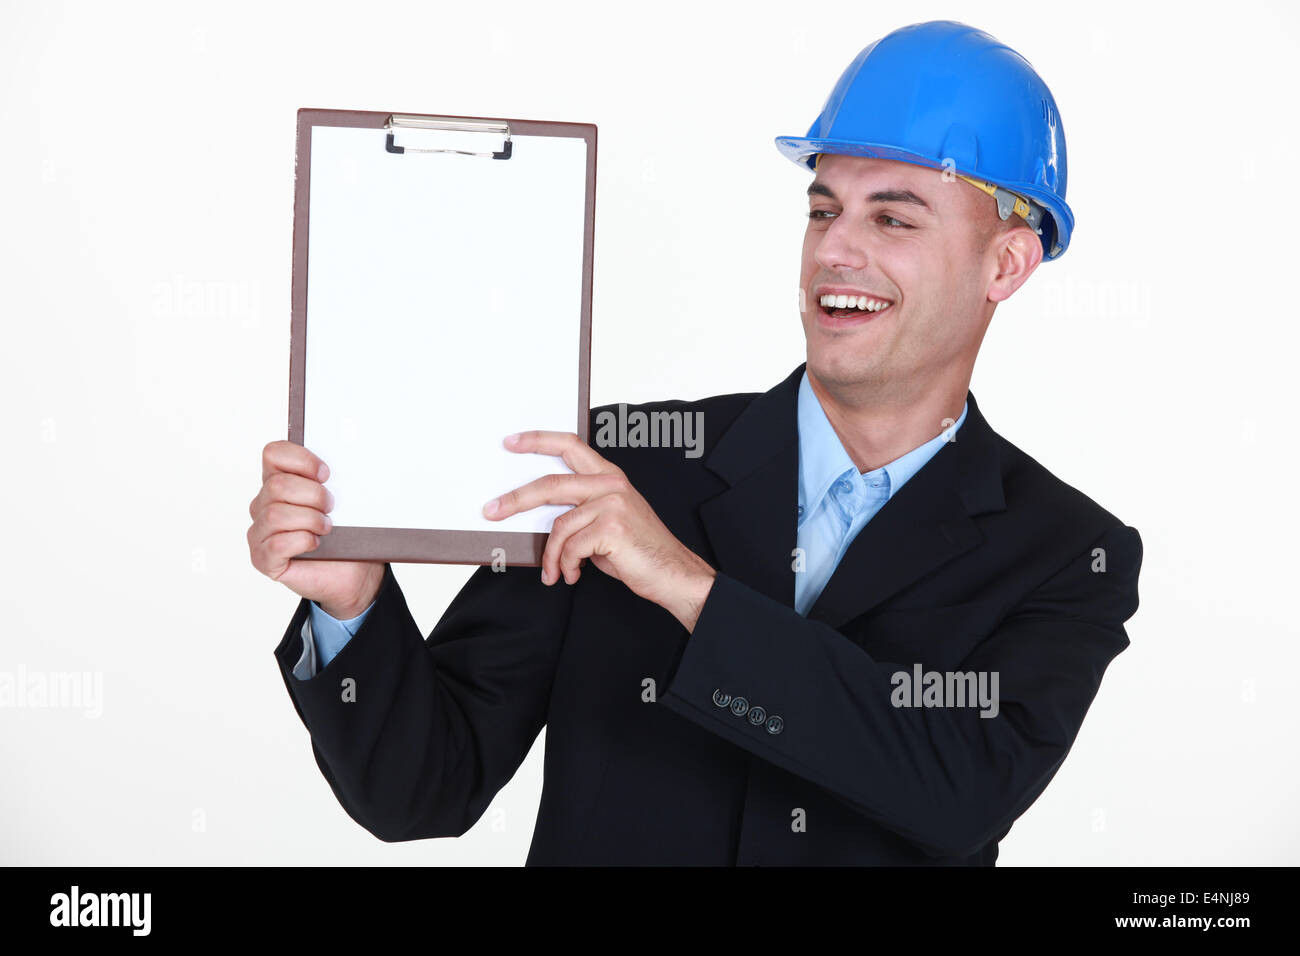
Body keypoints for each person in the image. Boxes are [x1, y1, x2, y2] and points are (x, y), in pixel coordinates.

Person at [247, 20, 1142, 865]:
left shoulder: (1066, 555)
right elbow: (424, 791)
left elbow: (957, 789)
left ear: (1007, 264)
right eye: (824, 209)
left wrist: (685, 585)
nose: (836, 249)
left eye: (893, 219)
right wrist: (352, 605)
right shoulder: (622, 465)